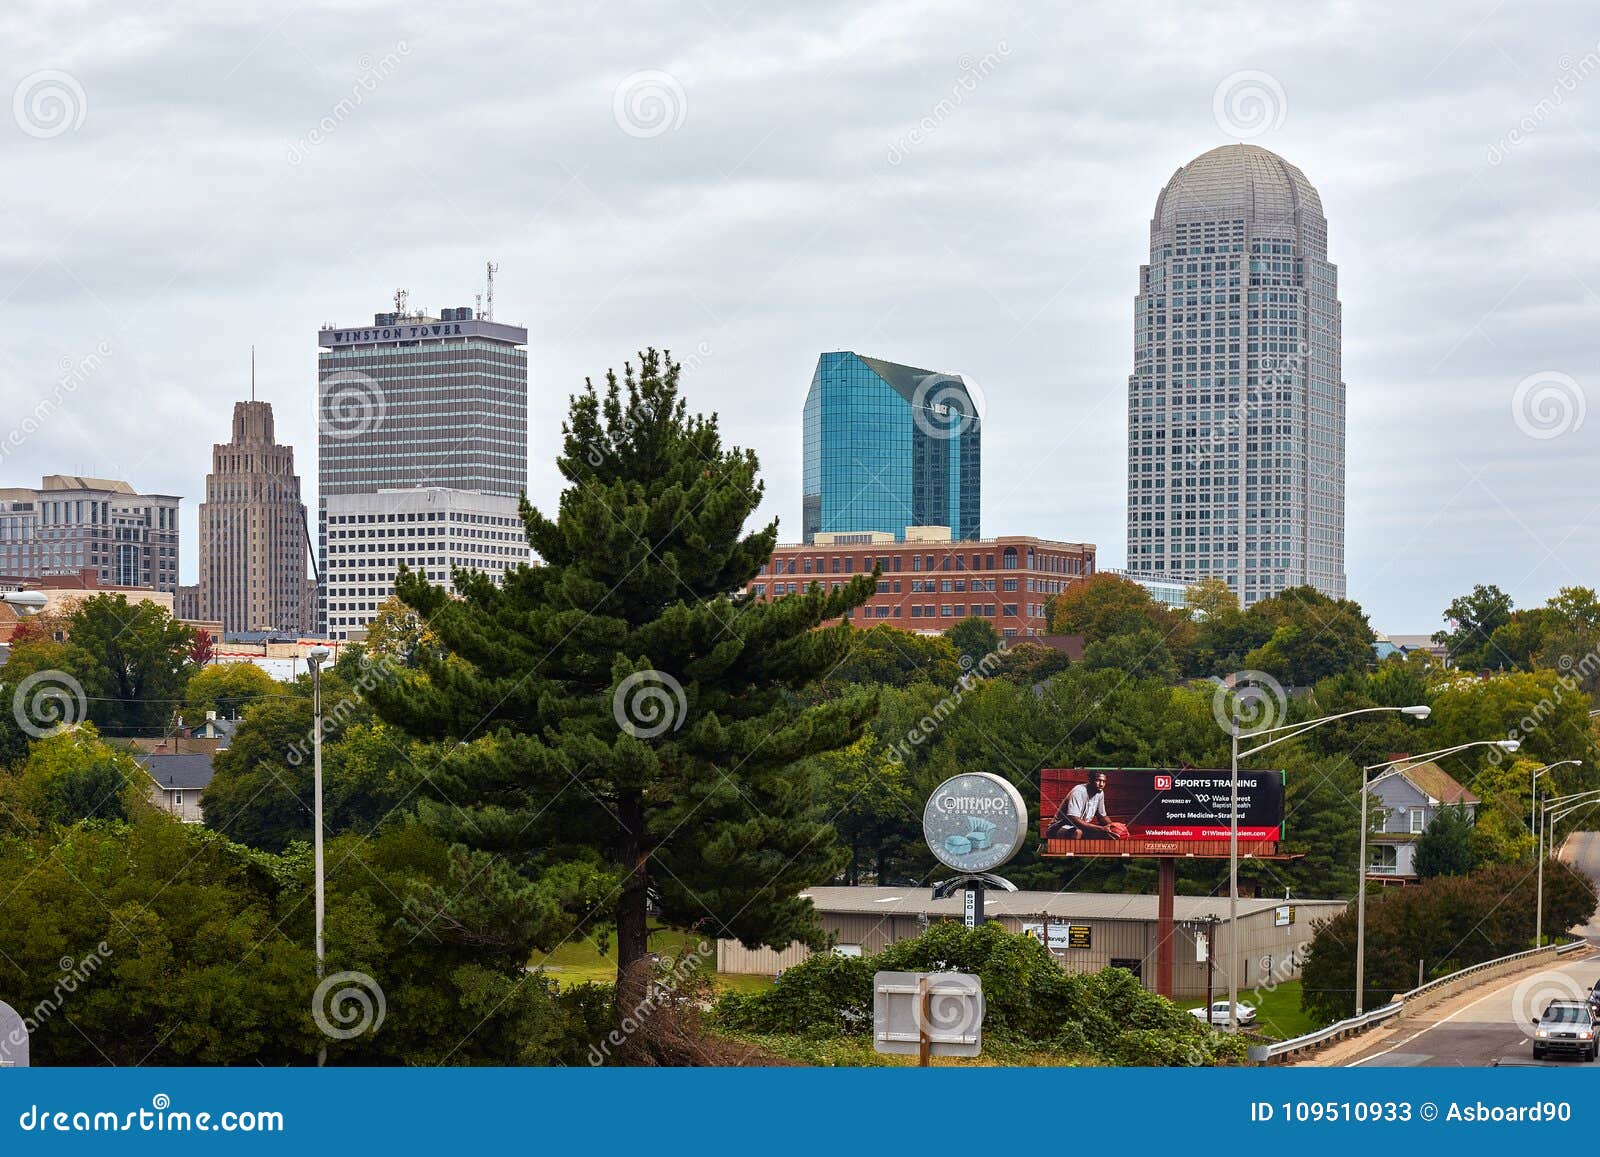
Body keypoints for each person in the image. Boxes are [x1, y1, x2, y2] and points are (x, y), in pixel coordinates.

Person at [1046, 771, 1131, 840]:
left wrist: (1114, 826)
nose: (1101, 784)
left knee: (1107, 834)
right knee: (1078, 832)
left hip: (1080, 827)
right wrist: (1101, 829)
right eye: (1098, 780)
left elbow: (1102, 816)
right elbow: (1074, 819)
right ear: (1090, 780)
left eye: (1104, 781)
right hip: (1058, 828)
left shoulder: (1100, 792)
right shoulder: (1078, 791)